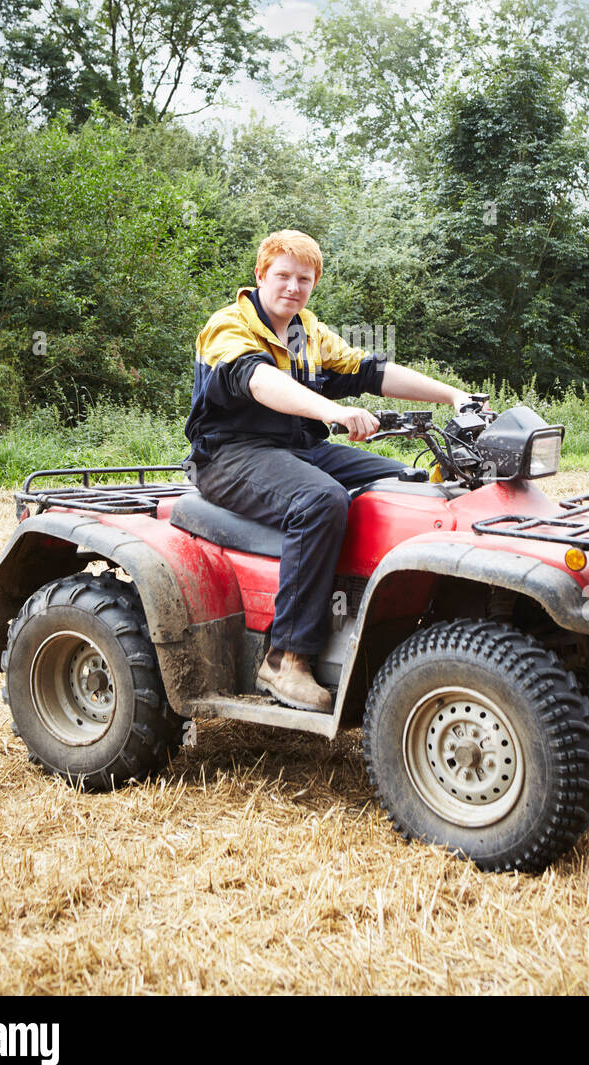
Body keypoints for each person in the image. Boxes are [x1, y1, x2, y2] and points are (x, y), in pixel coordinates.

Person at [184, 229, 470, 713]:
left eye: (304, 279)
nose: (293, 287)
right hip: (230, 456)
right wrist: (331, 412)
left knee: (408, 484)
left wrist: (454, 395)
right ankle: (286, 658)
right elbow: (259, 381)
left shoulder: (307, 331)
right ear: (260, 275)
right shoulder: (227, 327)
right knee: (318, 500)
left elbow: (371, 371)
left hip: (297, 449)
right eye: (283, 276)